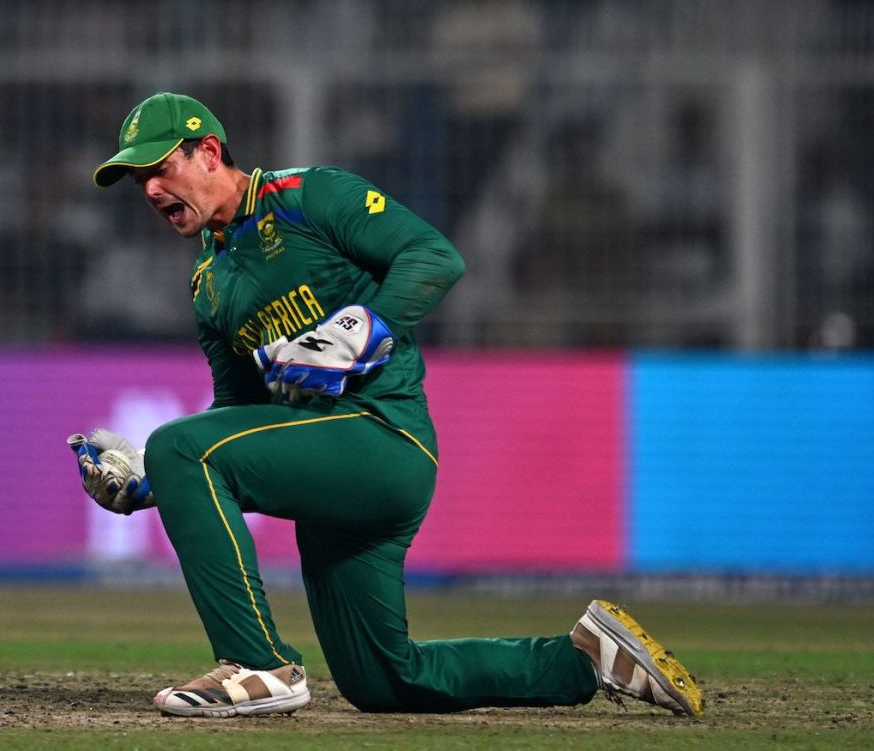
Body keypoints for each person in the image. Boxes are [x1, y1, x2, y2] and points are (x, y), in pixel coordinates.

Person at [72, 92, 704, 719]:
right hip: (329, 481)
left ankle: (257, 664)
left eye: (160, 169)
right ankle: (587, 660)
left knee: (179, 444)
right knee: (384, 682)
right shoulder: (207, 284)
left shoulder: (306, 196)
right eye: (137, 179)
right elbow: (237, 414)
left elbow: (435, 257)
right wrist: (150, 486)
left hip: (384, 439)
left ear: (209, 152)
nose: (150, 190)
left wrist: (359, 329)